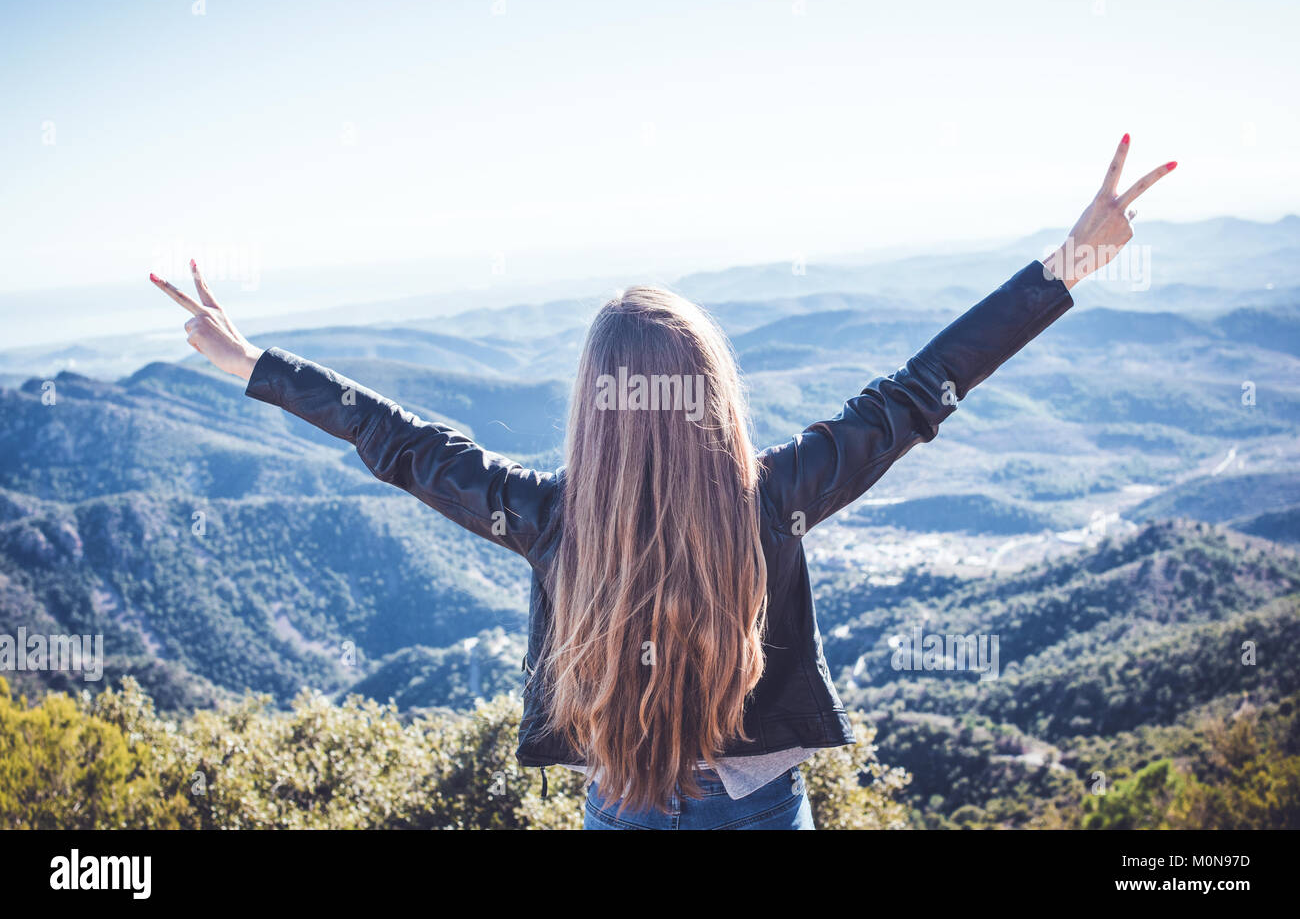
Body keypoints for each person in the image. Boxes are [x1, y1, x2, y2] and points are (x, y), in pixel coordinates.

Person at [150, 135, 1175, 830]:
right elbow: (917, 391)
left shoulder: (545, 518)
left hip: (623, 804)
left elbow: (401, 442)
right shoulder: (774, 496)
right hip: (763, 805)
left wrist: (253, 366)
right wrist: (1072, 260)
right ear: (712, 394)